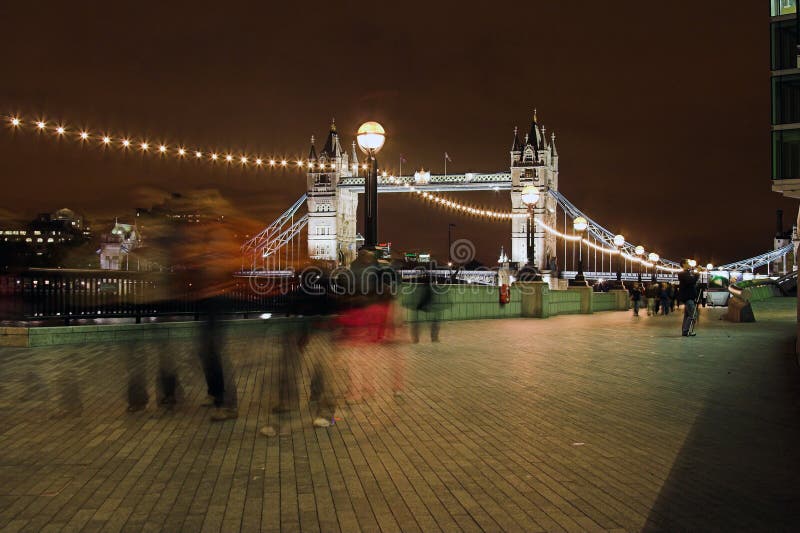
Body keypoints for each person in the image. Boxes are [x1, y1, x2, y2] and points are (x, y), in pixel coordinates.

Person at [678, 260, 700, 336]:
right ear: (683, 264)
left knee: (687, 315)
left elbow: (692, 282)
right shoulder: (682, 273)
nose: (689, 264)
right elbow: (691, 281)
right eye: (687, 263)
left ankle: (685, 331)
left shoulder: (688, 273)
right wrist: (697, 273)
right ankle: (686, 331)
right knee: (693, 315)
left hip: (690, 297)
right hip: (688, 297)